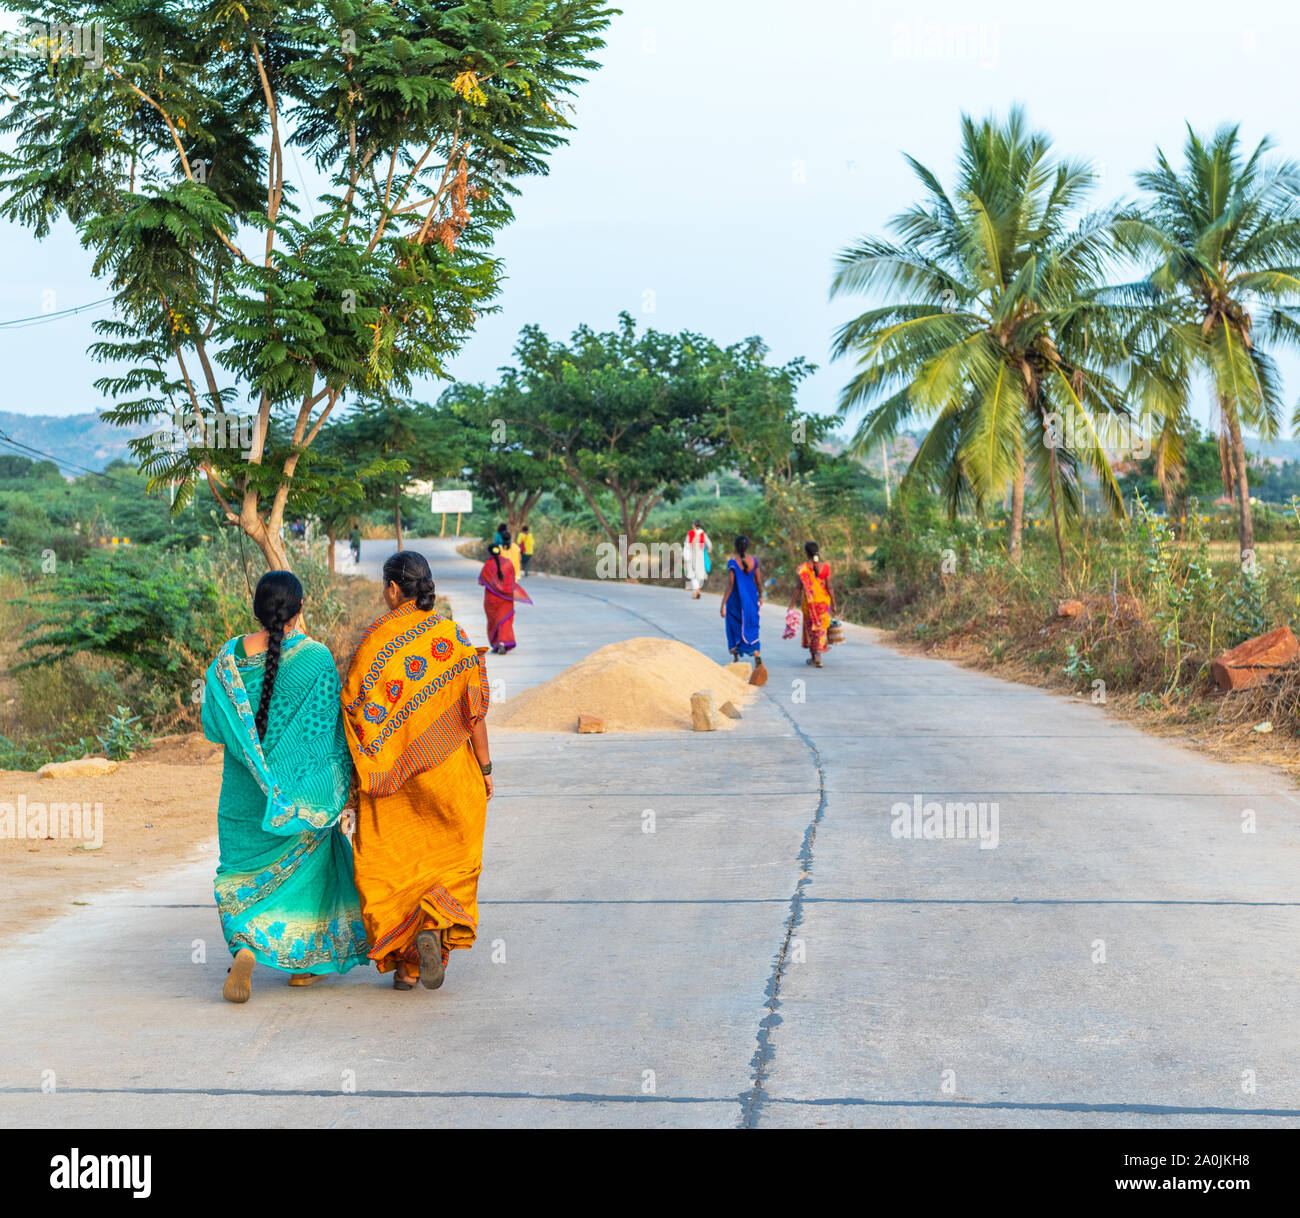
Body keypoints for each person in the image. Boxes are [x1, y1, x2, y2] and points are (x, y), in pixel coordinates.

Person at [201, 571, 368, 1004]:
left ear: (256, 609)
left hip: (242, 798)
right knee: (312, 870)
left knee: (237, 875)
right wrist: (338, 789)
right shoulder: (315, 659)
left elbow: (213, 729)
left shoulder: (226, 662)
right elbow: (328, 737)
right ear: (299, 609)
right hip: (298, 798)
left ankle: (244, 946)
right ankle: (304, 968)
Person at [341, 551, 494, 991]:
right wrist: (484, 770)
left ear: (392, 589)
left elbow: (354, 717)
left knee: (395, 868)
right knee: (448, 865)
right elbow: (475, 713)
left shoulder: (373, 646)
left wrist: (357, 785)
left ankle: (407, 964)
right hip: (450, 775)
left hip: (392, 787)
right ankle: (429, 938)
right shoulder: (451, 636)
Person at [479, 538, 532, 653]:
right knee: (504, 621)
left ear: (490, 553)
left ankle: (497, 644)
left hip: (491, 599)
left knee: (494, 620)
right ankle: (502, 642)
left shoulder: (488, 565)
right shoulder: (508, 564)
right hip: (506, 598)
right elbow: (511, 580)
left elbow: (480, 581)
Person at [789, 540, 836, 668]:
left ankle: (814, 656)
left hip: (810, 605)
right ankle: (818, 657)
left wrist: (791, 605)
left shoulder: (803, 568)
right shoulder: (825, 567)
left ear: (806, 553)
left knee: (811, 629)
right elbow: (829, 587)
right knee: (820, 629)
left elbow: (798, 587)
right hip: (823, 604)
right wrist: (834, 603)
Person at [721, 535, 762, 666]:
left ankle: (736, 658)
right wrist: (760, 596)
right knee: (751, 623)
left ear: (735, 547)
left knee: (734, 624)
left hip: (736, 600)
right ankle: (756, 652)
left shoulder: (733, 563)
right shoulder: (754, 561)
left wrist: (723, 603)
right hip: (751, 598)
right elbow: (758, 582)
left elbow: (730, 584)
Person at [683, 520, 712, 598]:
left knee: (693, 575)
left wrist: (685, 554)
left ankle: (696, 591)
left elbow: (686, 545)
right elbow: (709, 544)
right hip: (701, 556)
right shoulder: (703, 534)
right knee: (699, 574)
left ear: (694, 525)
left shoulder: (690, 533)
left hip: (692, 556)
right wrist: (708, 551)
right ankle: (697, 589)